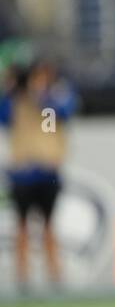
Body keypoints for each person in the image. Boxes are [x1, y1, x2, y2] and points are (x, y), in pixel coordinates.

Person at [0, 59, 75, 289]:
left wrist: (40, 95)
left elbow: (59, 115)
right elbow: (4, 117)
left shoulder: (55, 97)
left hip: (46, 171)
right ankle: (22, 277)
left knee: (49, 225)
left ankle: (54, 275)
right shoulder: (16, 101)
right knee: (21, 225)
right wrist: (11, 87)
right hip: (23, 172)